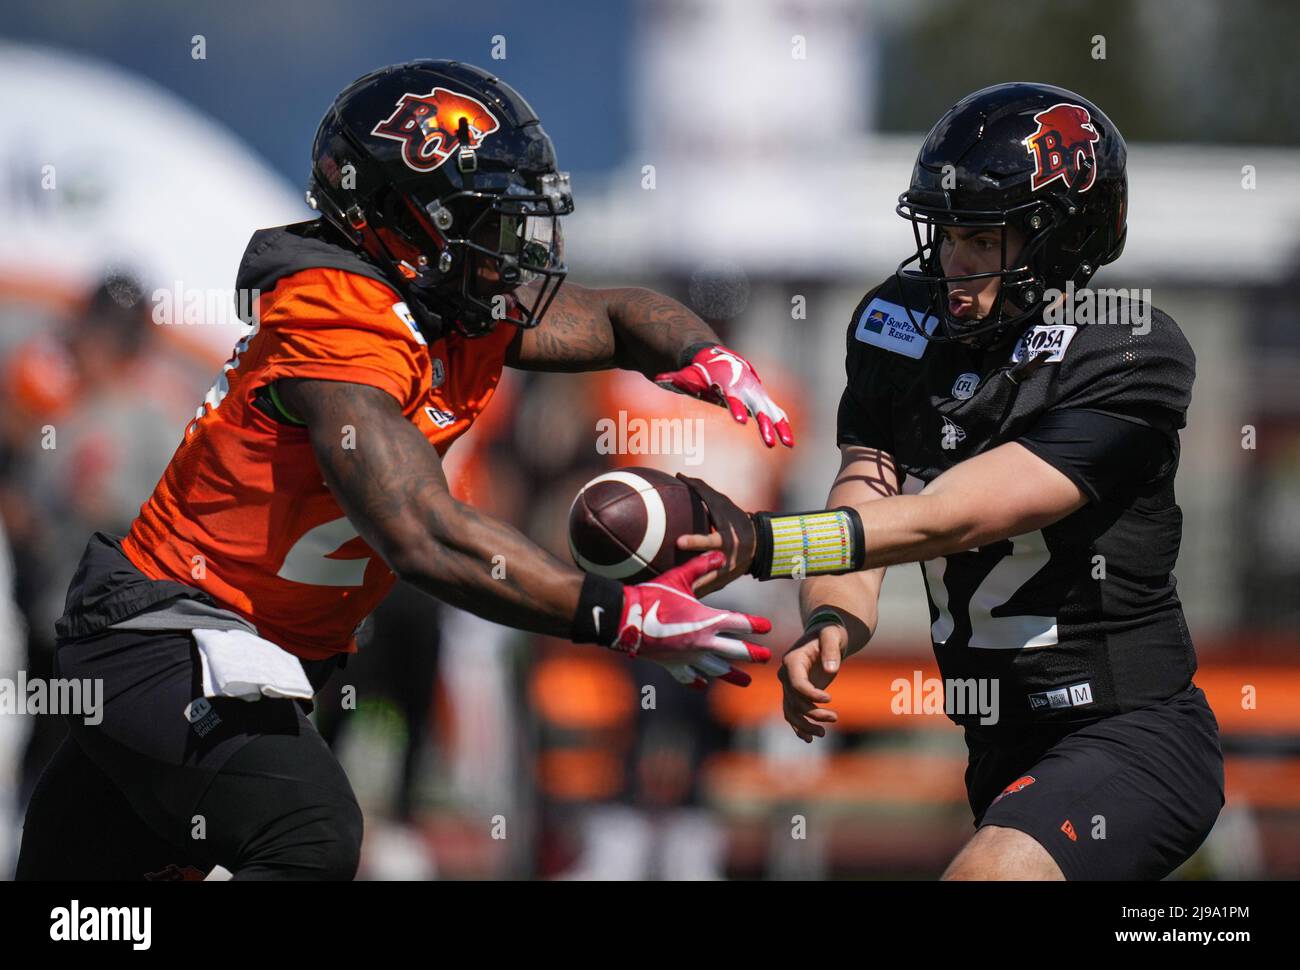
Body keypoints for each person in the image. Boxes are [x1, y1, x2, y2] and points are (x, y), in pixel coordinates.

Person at [15, 60, 792, 881]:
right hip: (171, 640)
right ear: (399, 221)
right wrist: (618, 614)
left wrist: (699, 351)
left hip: (224, 652)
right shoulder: (337, 322)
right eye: (484, 222)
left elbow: (614, 313)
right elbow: (422, 536)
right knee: (309, 833)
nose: (508, 252)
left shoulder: (450, 306)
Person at [673, 82, 1224, 881]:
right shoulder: (902, 333)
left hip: (1131, 731)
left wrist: (764, 544)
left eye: (979, 240)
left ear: (1057, 240)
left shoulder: (1129, 350)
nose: (949, 265)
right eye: (945, 235)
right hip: (1001, 742)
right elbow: (867, 483)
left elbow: (953, 517)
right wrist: (833, 613)